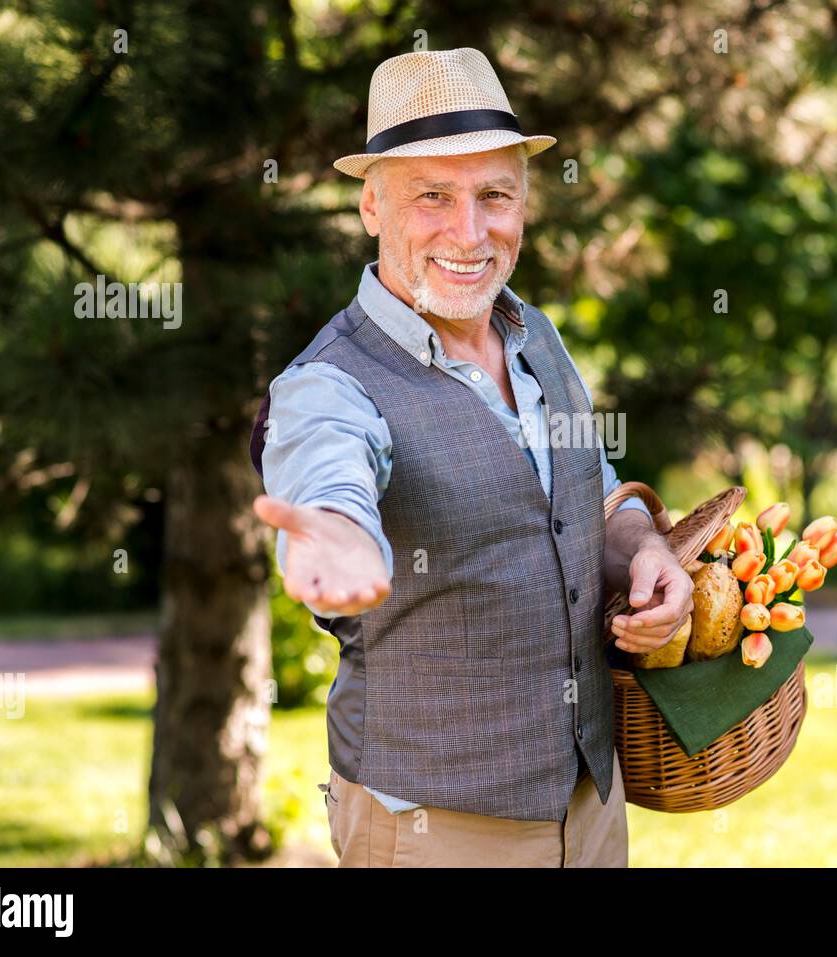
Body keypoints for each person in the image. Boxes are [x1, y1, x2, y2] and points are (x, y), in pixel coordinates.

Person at [248, 48, 692, 867]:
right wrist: (334, 531)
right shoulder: (327, 383)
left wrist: (644, 545)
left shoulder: (538, 338)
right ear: (372, 206)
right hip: (434, 830)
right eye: (433, 197)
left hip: (592, 807)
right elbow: (325, 468)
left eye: (495, 195)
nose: (470, 231)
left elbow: (585, 500)